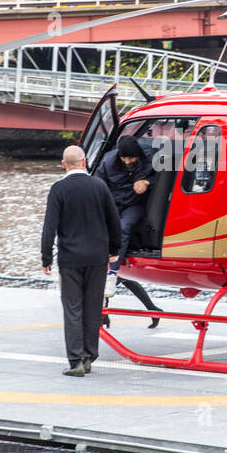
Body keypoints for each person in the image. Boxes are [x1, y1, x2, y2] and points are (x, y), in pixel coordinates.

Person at [40, 145, 122, 377]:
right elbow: (114, 220)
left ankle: (75, 360)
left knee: (73, 309)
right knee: (93, 308)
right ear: (84, 162)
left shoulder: (59, 189)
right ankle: (89, 357)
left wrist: (46, 256)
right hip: (97, 257)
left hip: (70, 259)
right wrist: (114, 249)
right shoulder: (99, 185)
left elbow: (50, 225)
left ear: (64, 164)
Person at [95, 134, 154, 291]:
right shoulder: (108, 162)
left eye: (132, 159)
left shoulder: (150, 157)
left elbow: (163, 177)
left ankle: (112, 272)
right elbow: (99, 186)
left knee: (124, 227)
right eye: (124, 158)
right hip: (114, 202)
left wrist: (147, 183)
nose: (128, 162)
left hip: (136, 203)